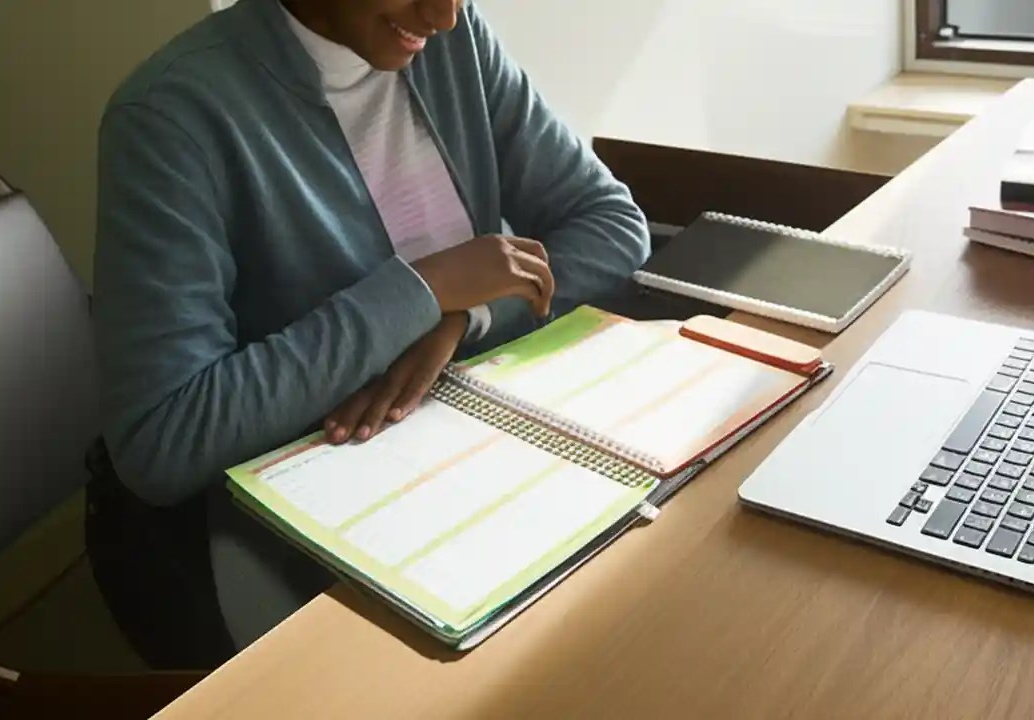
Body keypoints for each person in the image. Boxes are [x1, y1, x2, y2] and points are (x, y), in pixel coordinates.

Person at [86, 0, 649, 669]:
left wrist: (463, 318)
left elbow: (610, 222)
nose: (442, 16)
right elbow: (164, 439)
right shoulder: (172, 114)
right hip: (278, 536)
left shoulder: (456, 38)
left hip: (462, 475)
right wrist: (423, 288)